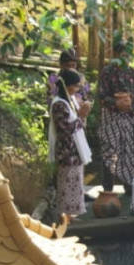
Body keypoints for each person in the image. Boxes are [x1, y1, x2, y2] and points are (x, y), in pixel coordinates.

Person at [96, 37, 134, 192]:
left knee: (128, 152)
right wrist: (116, 103)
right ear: (115, 54)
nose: (125, 57)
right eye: (121, 53)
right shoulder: (106, 72)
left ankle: (129, 188)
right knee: (109, 152)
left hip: (129, 118)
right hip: (110, 117)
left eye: (127, 54)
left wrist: (131, 108)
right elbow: (102, 96)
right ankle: (107, 189)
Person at [50, 69, 92, 217]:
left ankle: (71, 215)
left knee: (75, 183)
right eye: (75, 86)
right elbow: (64, 129)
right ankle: (65, 216)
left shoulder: (70, 101)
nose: (77, 89)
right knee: (67, 184)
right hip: (66, 150)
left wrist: (82, 115)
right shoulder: (59, 104)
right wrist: (81, 116)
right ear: (67, 86)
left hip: (75, 150)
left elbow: (78, 124)